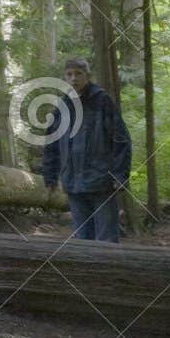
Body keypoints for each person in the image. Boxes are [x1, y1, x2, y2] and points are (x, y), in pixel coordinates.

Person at [42, 57, 132, 242]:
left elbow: (121, 139)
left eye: (78, 74)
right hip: (73, 182)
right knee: (83, 238)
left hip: (102, 181)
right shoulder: (62, 107)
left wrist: (120, 175)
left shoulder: (102, 101)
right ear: (64, 78)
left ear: (87, 76)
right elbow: (52, 144)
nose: (74, 78)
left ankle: (107, 268)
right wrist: (50, 176)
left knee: (106, 237)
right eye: (69, 74)